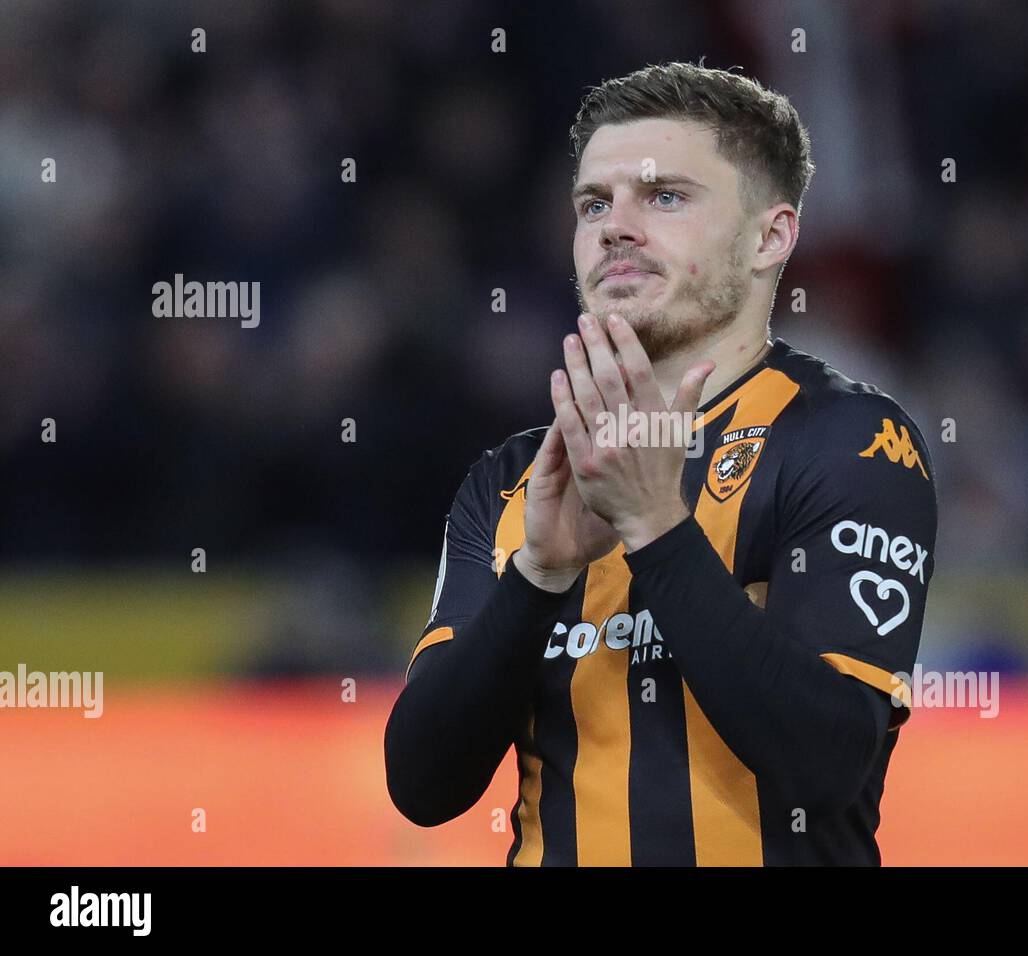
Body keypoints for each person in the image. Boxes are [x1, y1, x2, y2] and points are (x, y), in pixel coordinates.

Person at [385, 61, 938, 865]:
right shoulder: (511, 480)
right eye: (595, 203)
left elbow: (829, 760)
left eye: (666, 197)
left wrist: (654, 527)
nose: (616, 225)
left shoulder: (850, 440)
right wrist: (539, 576)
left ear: (769, 237)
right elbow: (424, 788)